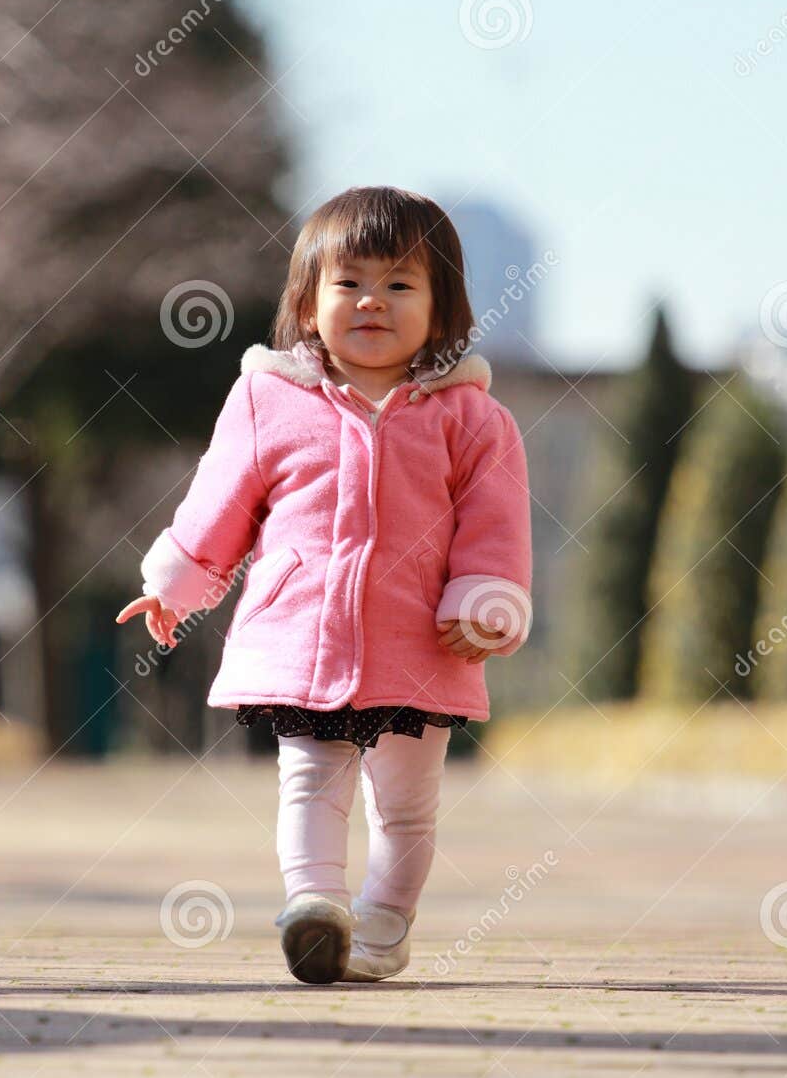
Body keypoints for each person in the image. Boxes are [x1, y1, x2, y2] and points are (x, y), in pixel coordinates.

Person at [117, 185, 532, 985]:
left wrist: (484, 598)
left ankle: (383, 925)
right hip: (303, 633)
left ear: (441, 311)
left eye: (399, 284)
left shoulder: (471, 420)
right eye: (349, 283)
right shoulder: (267, 400)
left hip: (421, 642)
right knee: (308, 780)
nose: (371, 300)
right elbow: (219, 500)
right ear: (308, 304)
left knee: (404, 808)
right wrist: (177, 581)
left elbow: (495, 525)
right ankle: (315, 907)